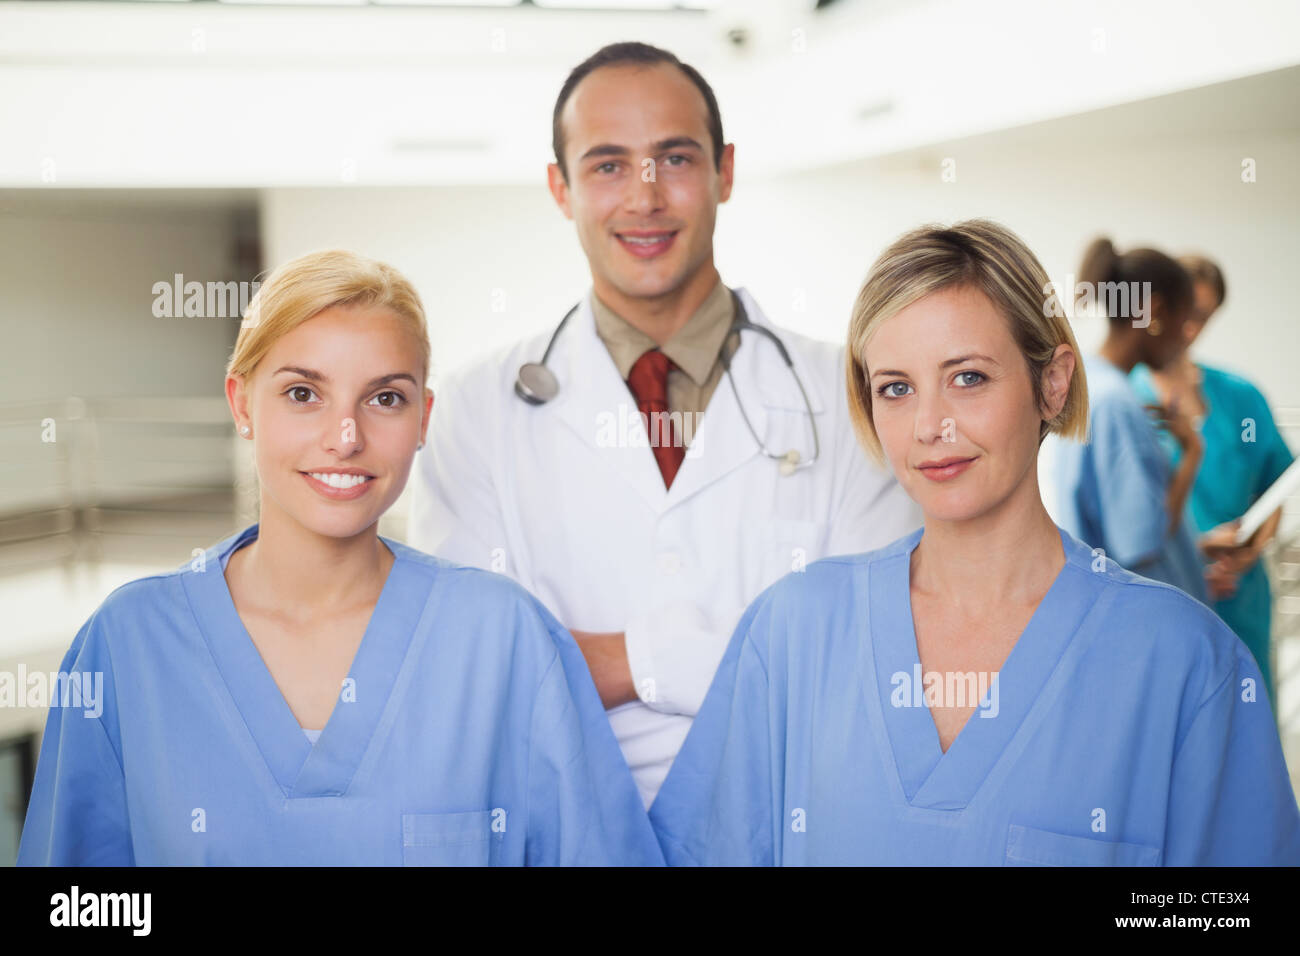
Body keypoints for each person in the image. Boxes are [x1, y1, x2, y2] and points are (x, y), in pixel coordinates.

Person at [648, 220, 1300, 865]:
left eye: (968, 378)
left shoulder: (1185, 663)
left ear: (1052, 383)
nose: (931, 425)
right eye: (896, 388)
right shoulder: (794, 631)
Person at [18, 250, 663, 866]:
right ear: (242, 404)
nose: (346, 437)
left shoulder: (504, 641)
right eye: (304, 394)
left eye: (385, 398)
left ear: (422, 420)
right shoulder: (131, 645)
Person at [409, 42, 919, 808]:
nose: (644, 198)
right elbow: (485, 676)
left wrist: (620, 662)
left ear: (725, 171)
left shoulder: (850, 393)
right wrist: (735, 659)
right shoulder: (479, 408)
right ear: (561, 188)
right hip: (562, 837)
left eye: (674, 158)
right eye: (608, 164)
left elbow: (861, 668)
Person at [1130, 256, 1293, 706]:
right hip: (1163, 597)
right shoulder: (1122, 398)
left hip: (1239, 598)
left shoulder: (1239, 396)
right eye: (1183, 311)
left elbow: (1276, 481)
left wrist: (1248, 550)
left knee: (1247, 735)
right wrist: (1195, 554)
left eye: (1202, 317)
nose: (1188, 328)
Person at [1052, 238, 1209, 603]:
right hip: (1146, 618)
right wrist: (1191, 455)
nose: (1186, 340)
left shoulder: (1090, 385)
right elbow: (1141, 544)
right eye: (1184, 322)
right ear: (1155, 313)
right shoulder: (1115, 404)